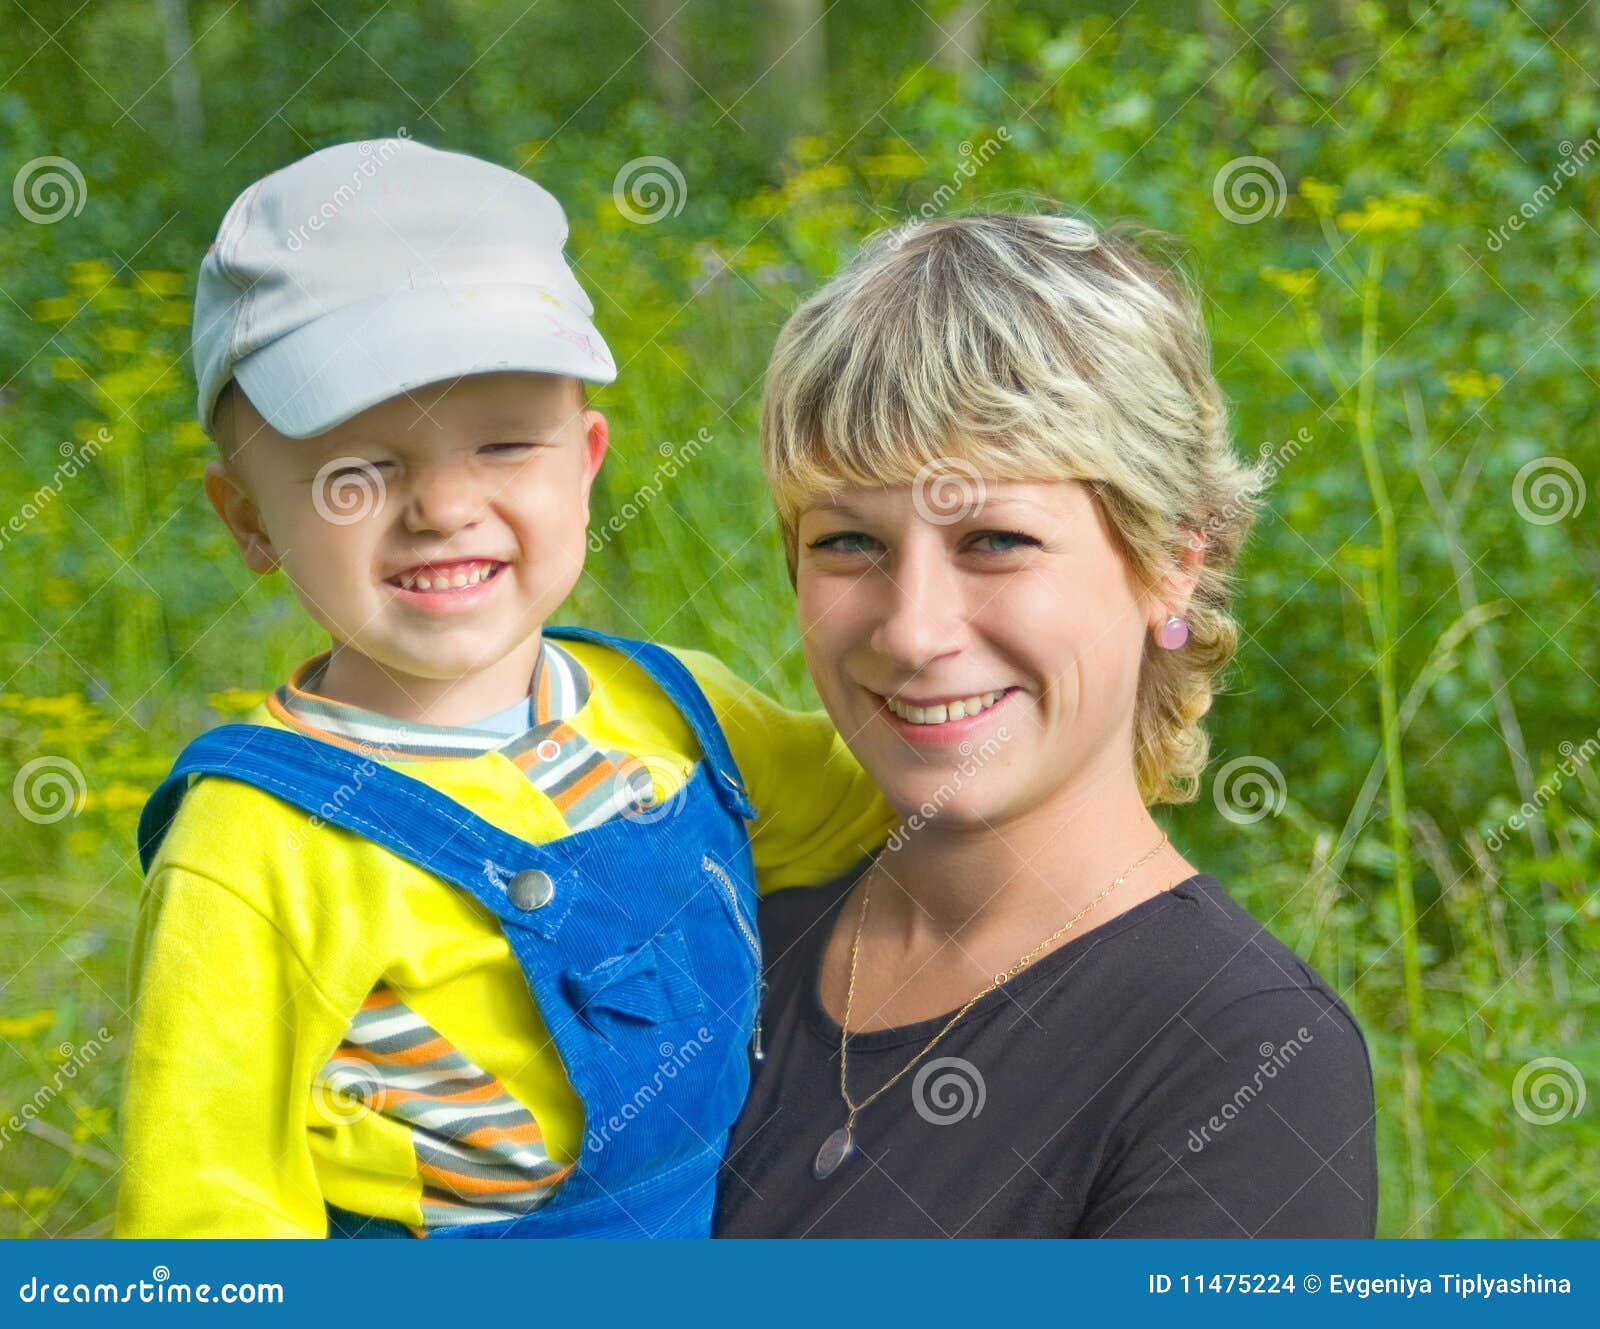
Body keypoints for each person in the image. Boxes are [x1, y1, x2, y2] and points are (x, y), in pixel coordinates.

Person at [115, 138, 891, 1239]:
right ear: (248, 516)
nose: (442, 507)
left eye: (504, 444)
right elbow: (205, 1213)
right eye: (359, 468)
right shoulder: (254, 851)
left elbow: (897, 802)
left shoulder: (676, 709)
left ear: (585, 464)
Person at [715, 213, 1378, 1238]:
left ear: (1172, 562)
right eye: (849, 541)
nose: (913, 630)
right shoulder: (722, 925)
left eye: (995, 540)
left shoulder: (1248, 1060)